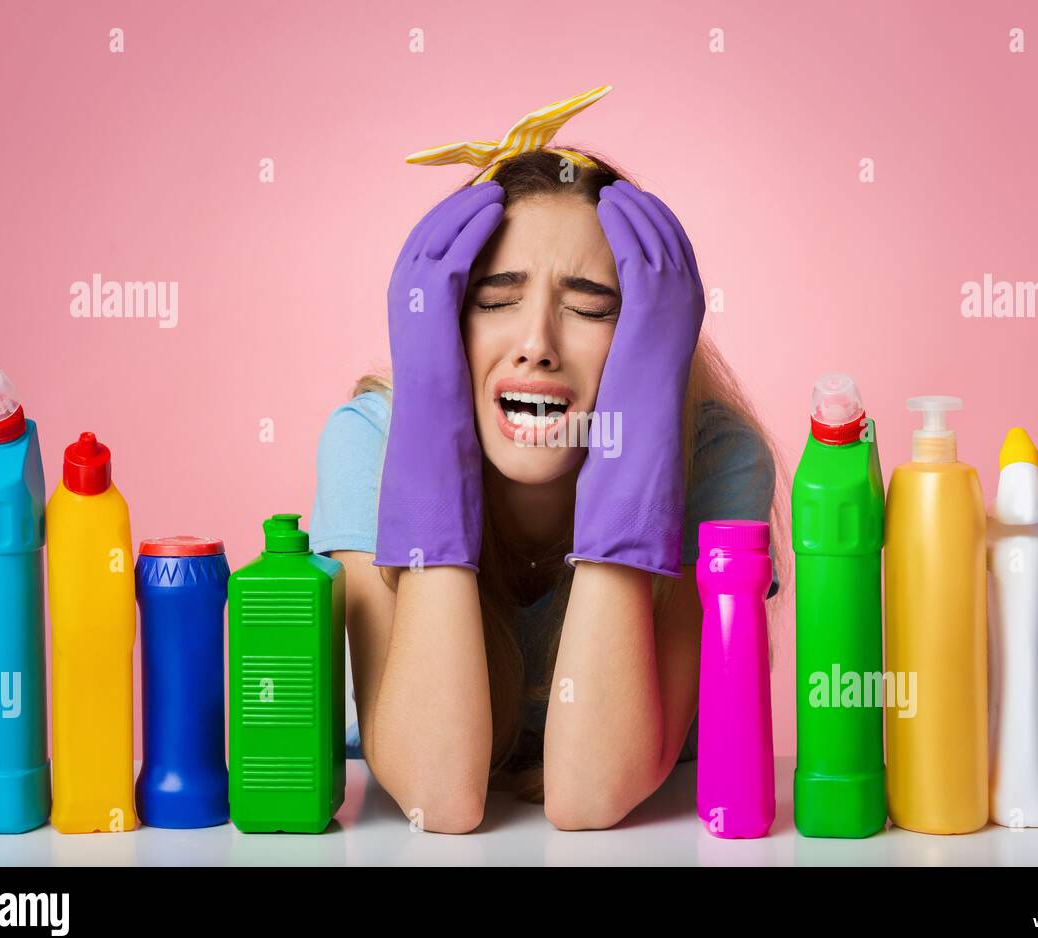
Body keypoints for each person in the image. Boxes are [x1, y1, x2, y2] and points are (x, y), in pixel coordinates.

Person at [312, 88, 784, 832]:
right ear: (442, 324)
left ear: (643, 343)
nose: (537, 341)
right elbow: (438, 799)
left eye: (592, 306)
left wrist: (636, 458)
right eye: (494, 300)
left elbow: (591, 796)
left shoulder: (717, 457)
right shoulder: (366, 439)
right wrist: (432, 443)